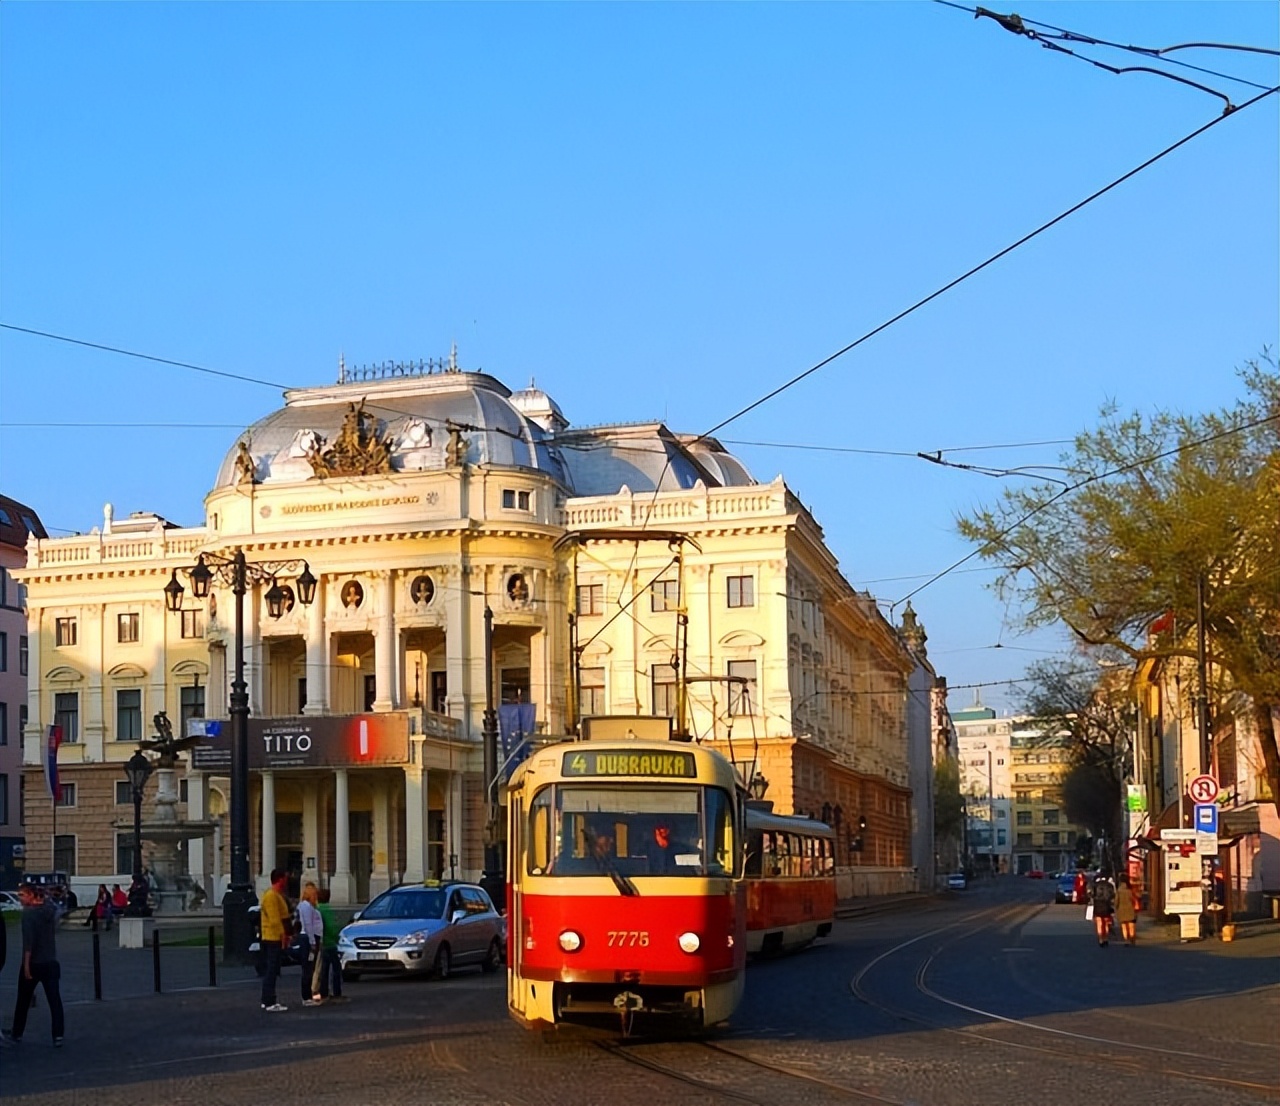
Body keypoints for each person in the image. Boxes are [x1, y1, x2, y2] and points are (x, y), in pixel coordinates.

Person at [4, 882, 65, 1046]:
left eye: (22, 895)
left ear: (31, 895)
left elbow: (28, 943)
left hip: (34, 963)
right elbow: (54, 905)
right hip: (50, 961)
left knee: (23, 1000)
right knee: (54, 1000)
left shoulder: (29, 915)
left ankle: (17, 1033)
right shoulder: (49, 910)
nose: (20, 898)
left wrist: (26, 966)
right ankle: (58, 1035)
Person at [259, 868, 291, 1012]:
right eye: (285, 878)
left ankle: (267, 999)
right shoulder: (271, 896)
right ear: (280, 879)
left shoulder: (276, 895)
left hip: (273, 936)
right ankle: (269, 1001)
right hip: (272, 937)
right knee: (272, 970)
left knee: (272, 969)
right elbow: (275, 920)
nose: (287, 881)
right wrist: (283, 936)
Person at [315, 888, 345, 1004]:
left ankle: (323, 992)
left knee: (324, 970)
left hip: (322, 943)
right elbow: (331, 927)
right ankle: (337, 992)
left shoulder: (317, 909)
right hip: (330, 943)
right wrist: (336, 938)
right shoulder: (328, 910)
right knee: (336, 968)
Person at [296, 882, 324, 1006]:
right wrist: (312, 942)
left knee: (309, 968)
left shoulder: (305, 906)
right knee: (308, 968)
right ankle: (306, 997)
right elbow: (308, 925)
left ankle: (307, 995)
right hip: (308, 939)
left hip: (308, 938)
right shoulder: (307, 907)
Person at [1091, 873, 1116, 947]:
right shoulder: (1109, 885)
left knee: (1099, 923)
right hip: (1107, 905)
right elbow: (1113, 895)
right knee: (1106, 923)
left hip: (1097, 905)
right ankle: (1105, 938)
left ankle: (1100, 939)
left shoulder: (1095, 885)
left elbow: (1091, 894)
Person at [1114, 876, 1138, 946]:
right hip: (1130, 909)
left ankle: (1126, 940)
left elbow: (1116, 902)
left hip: (1121, 910)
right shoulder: (1130, 890)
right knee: (1131, 926)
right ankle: (1132, 939)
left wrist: (1116, 908)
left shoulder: (1119, 891)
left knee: (1124, 926)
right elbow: (1134, 899)